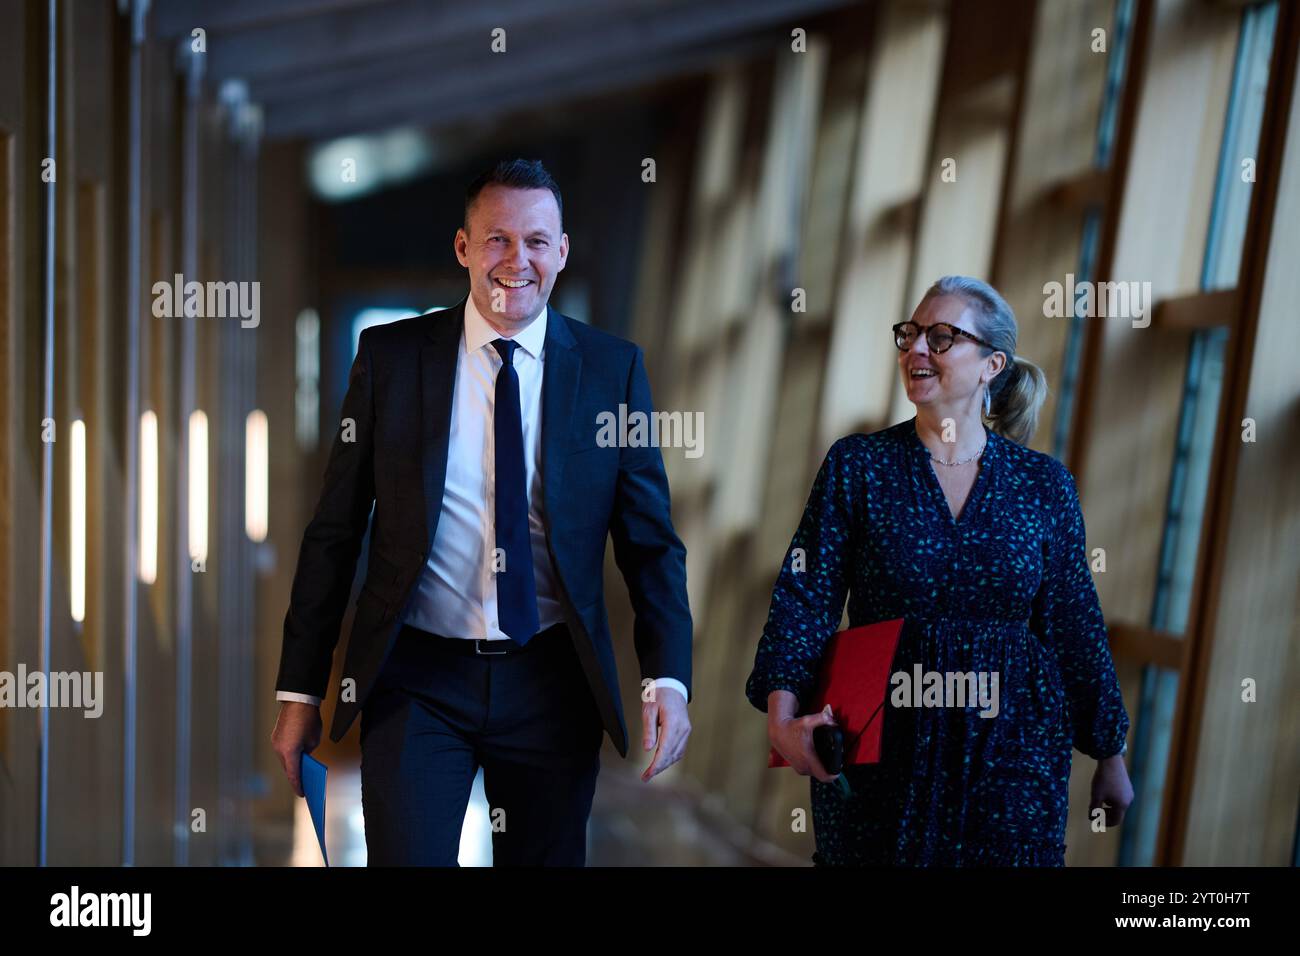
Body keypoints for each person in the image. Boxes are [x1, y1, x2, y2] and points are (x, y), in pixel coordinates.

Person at [271, 159, 693, 866]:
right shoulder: (392, 359)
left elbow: (650, 543)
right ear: (464, 248)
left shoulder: (611, 370)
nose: (516, 260)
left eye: (535, 241)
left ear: (561, 251)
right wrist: (299, 689)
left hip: (553, 683)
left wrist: (668, 679)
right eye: (496, 239)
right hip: (418, 681)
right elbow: (334, 533)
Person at [746, 275, 1132, 866]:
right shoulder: (859, 466)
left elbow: (1074, 622)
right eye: (911, 334)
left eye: (942, 337)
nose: (916, 349)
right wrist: (782, 723)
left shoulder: (1044, 486)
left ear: (991, 365)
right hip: (882, 746)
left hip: (1011, 758)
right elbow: (806, 595)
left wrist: (1110, 755)